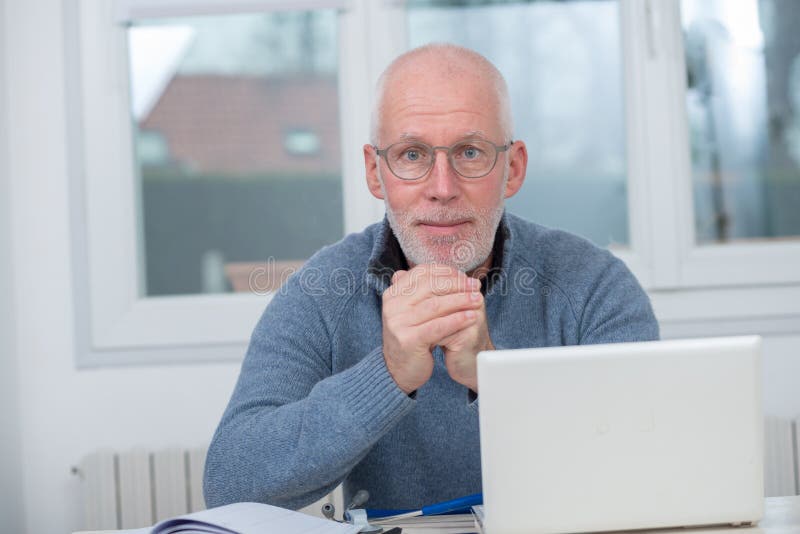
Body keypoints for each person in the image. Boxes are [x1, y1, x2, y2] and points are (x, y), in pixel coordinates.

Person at [203, 43, 659, 512]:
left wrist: (493, 375)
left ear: (513, 168)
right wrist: (387, 375)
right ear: (375, 172)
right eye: (412, 154)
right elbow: (231, 484)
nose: (442, 188)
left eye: (470, 151)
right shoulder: (321, 292)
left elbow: (648, 468)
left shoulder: (597, 287)